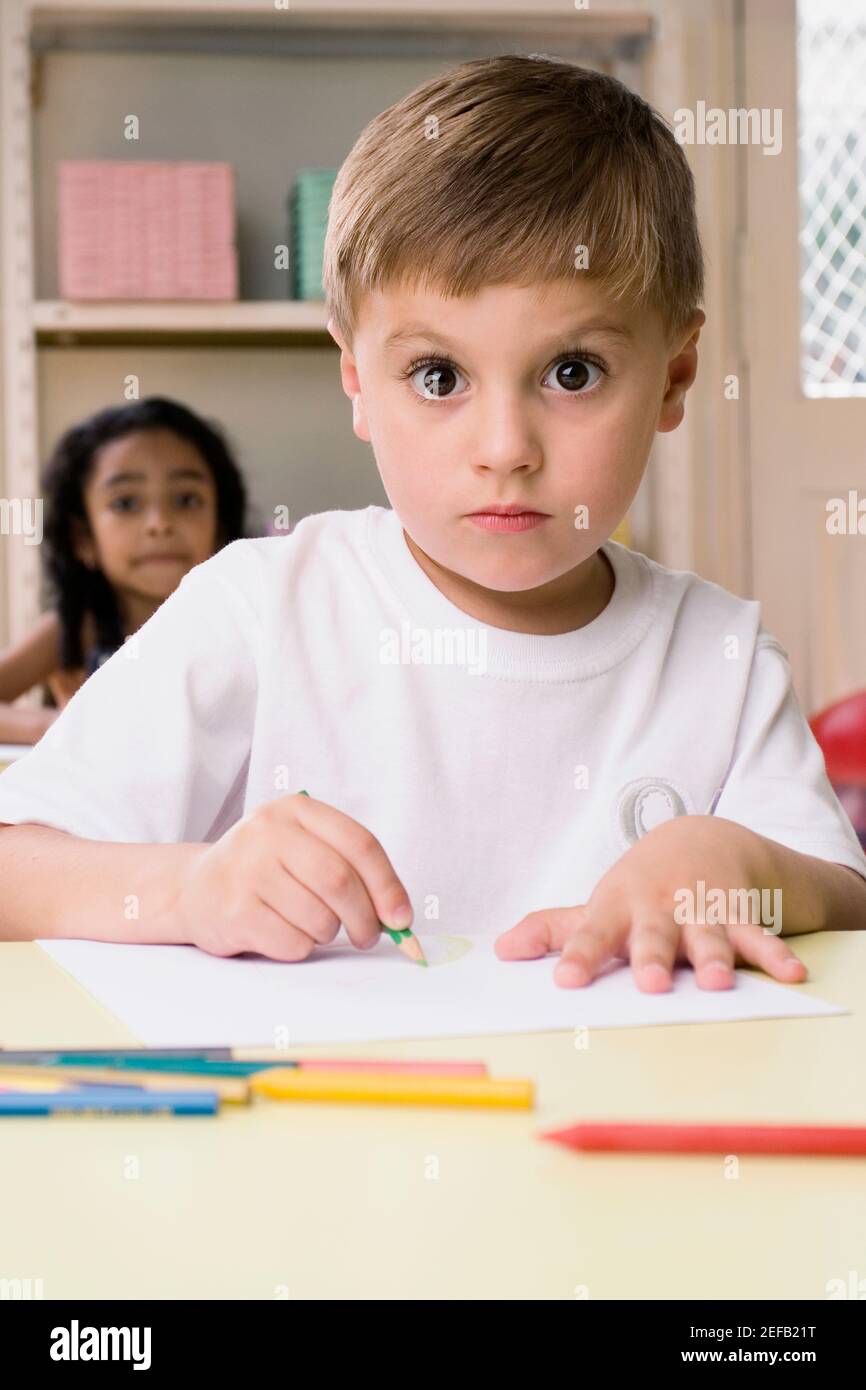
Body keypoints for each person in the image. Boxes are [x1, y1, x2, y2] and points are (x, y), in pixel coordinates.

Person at [0, 56, 864, 992]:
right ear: (359, 383)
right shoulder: (260, 609)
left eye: (572, 372)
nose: (505, 448)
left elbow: (840, 895)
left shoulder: (721, 655)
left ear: (676, 377)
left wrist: (740, 870)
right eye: (439, 377)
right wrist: (190, 886)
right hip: (311, 1125)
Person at [0, 397, 247, 743]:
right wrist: (62, 725)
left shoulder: (247, 620)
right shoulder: (77, 627)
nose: (159, 524)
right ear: (83, 537)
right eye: (126, 503)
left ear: (219, 526)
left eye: (186, 500)